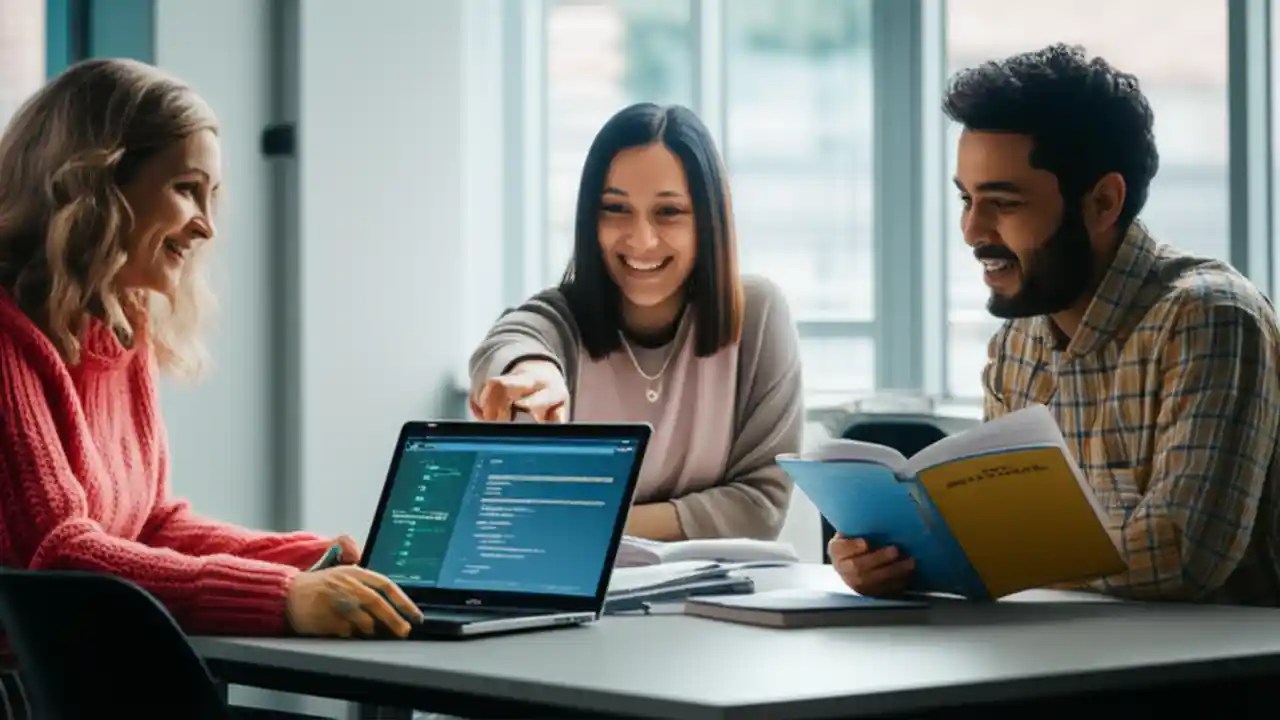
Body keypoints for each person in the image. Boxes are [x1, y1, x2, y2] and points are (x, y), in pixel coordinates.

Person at [0, 58, 425, 717]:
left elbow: (152, 525)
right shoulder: (5, 337)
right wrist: (283, 595)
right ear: (100, 185)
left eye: (211, 195)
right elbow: (62, 557)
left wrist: (314, 558)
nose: (206, 225)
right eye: (186, 188)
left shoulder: (120, 324)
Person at [830, 43, 1280, 606]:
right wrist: (889, 561)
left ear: (1102, 202)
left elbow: (1180, 554)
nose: (972, 230)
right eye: (966, 199)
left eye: (1004, 203)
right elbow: (994, 524)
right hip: (1055, 658)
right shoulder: (1018, 339)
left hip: (1206, 678)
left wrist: (976, 552)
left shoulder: (1209, 318)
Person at [468, 103, 804, 542]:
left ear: (707, 221)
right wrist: (533, 374)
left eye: (668, 212)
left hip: (718, 601)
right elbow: (514, 340)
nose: (641, 239)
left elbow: (760, 510)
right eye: (615, 208)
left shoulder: (758, 315)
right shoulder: (561, 318)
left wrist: (585, 521)